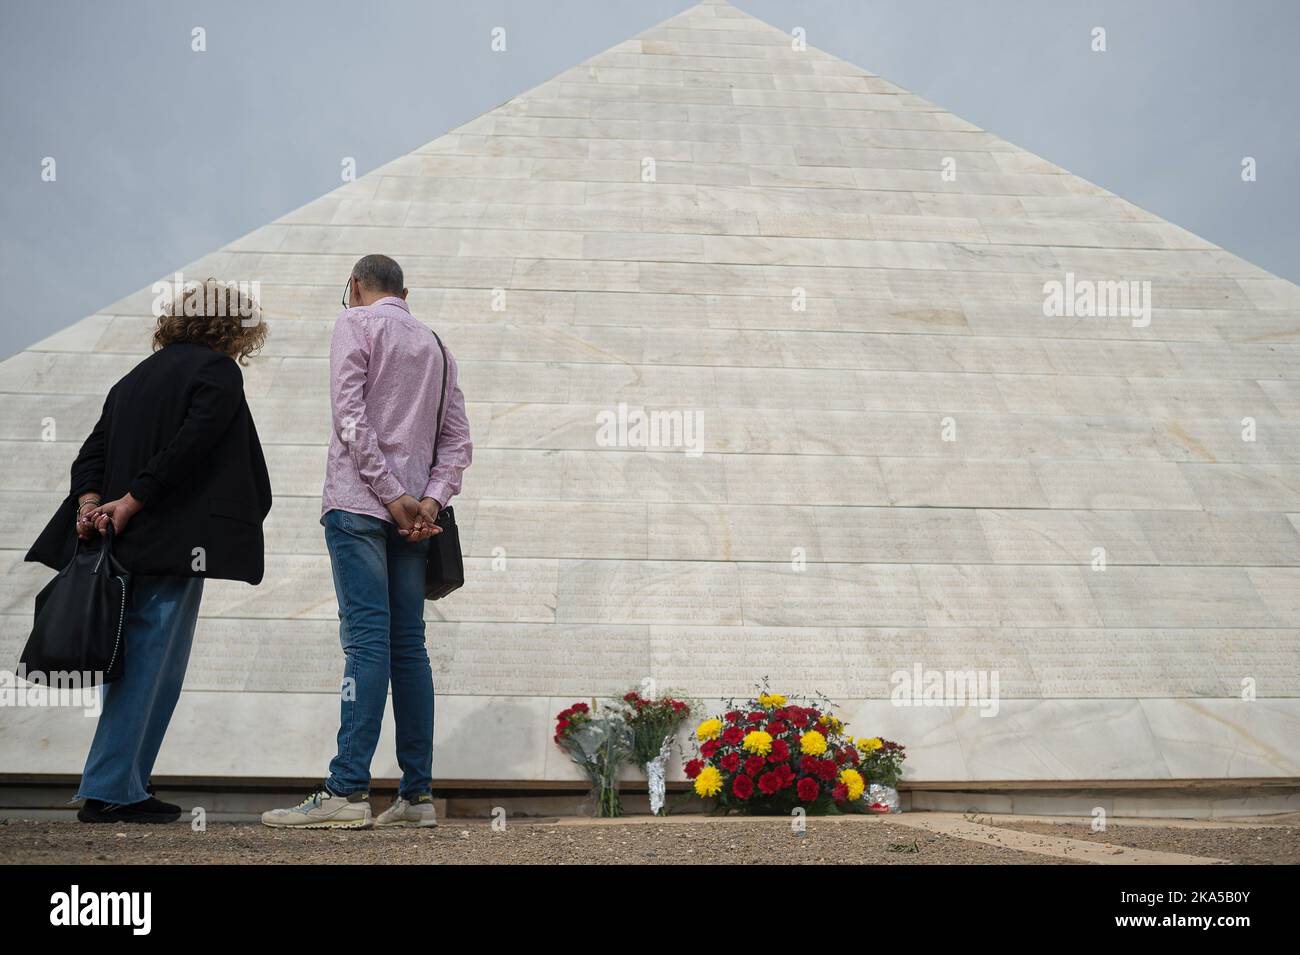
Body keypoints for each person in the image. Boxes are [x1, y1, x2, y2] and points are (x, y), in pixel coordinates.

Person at [26, 278, 272, 824]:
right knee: (154, 664)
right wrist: (134, 501)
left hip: (119, 542)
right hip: (174, 541)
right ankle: (112, 787)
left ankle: (124, 781)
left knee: (135, 661)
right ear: (233, 329)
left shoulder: (133, 378)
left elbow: (92, 452)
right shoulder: (218, 372)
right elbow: (193, 444)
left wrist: (92, 504)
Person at [262, 254, 471, 830]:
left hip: (359, 507)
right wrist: (426, 501)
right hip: (414, 523)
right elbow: (457, 443)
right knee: (409, 648)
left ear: (355, 286)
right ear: (407, 289)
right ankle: (417, 796)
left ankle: (347, 790)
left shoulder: (355, 323)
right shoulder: (437, 346)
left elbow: (349, 419)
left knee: (366, 645)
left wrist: (388, 494)